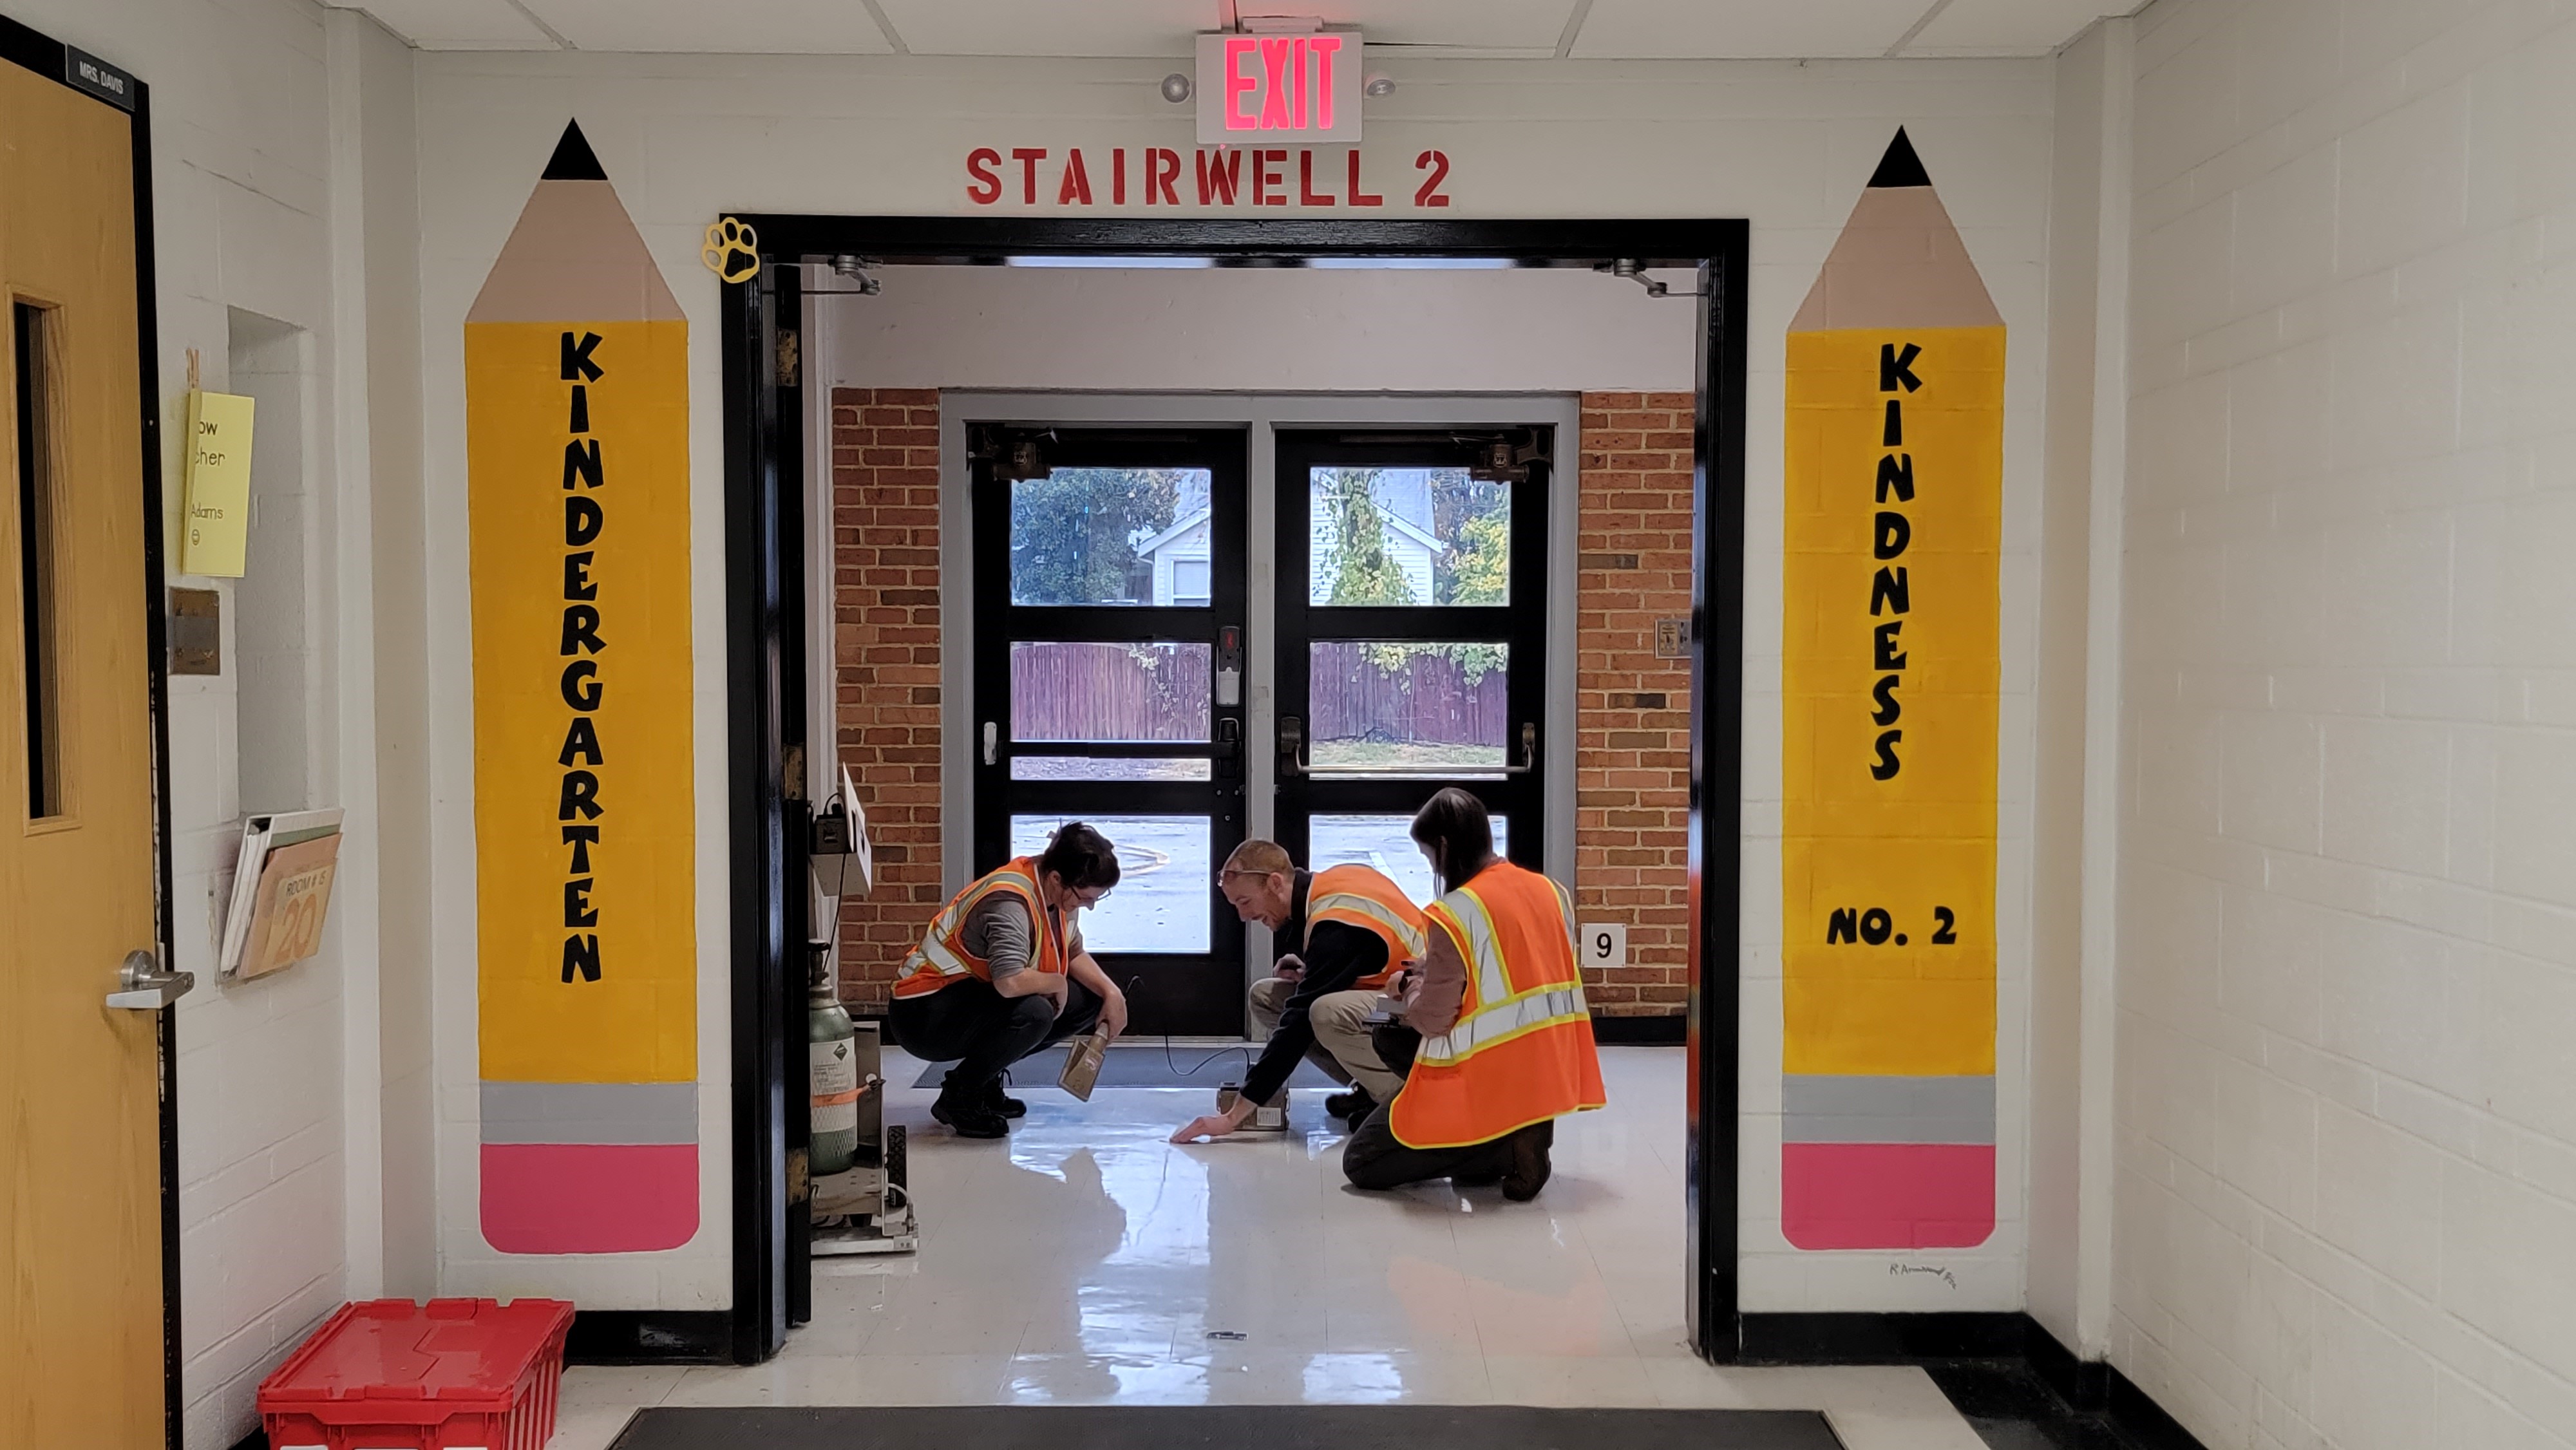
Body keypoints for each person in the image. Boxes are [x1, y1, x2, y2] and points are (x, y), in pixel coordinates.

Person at [1341, 789, 1605, 1201]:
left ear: (1445, 848)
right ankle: (1518, 1131)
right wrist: (1440, 969)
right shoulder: (1551, 892)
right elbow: (1521, 971)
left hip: (1489, 1068)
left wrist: (1408, 987)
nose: (1433, 866)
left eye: (1430, 857)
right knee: (1388, 1039)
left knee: (1361, 1162)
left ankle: (1488, 1148)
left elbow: (1432, 1021)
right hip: (1546, 1064)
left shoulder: (1457, 911)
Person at [1168, 842, 1424, 1144]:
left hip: (1421, 1016)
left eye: (1245, 902)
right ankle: (1369, 1089)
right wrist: (1311, 970)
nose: (1243, 916)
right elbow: (1367, 958)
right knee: (1266, 997)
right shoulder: (1333, 886)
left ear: (1275, 883)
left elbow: (1298, 1025)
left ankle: (1409, 1106)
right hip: (1399, 997)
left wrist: (1232, 1117)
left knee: (1323, 1012)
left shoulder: (1336, 924)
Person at [890, 822, 1131, 1138]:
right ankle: (960, 1097)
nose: (1089, 906)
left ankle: (985, 1080)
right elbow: (1009, 982)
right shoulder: (1011, 903)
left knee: (1088, 1001)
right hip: (924, 1014)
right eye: (1085, 897)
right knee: (1035, 1012)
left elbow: (1072, 951)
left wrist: (1112, 994)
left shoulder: (1055, 893)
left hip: (967, 998)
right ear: (1057, 878)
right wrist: (1056, 983)